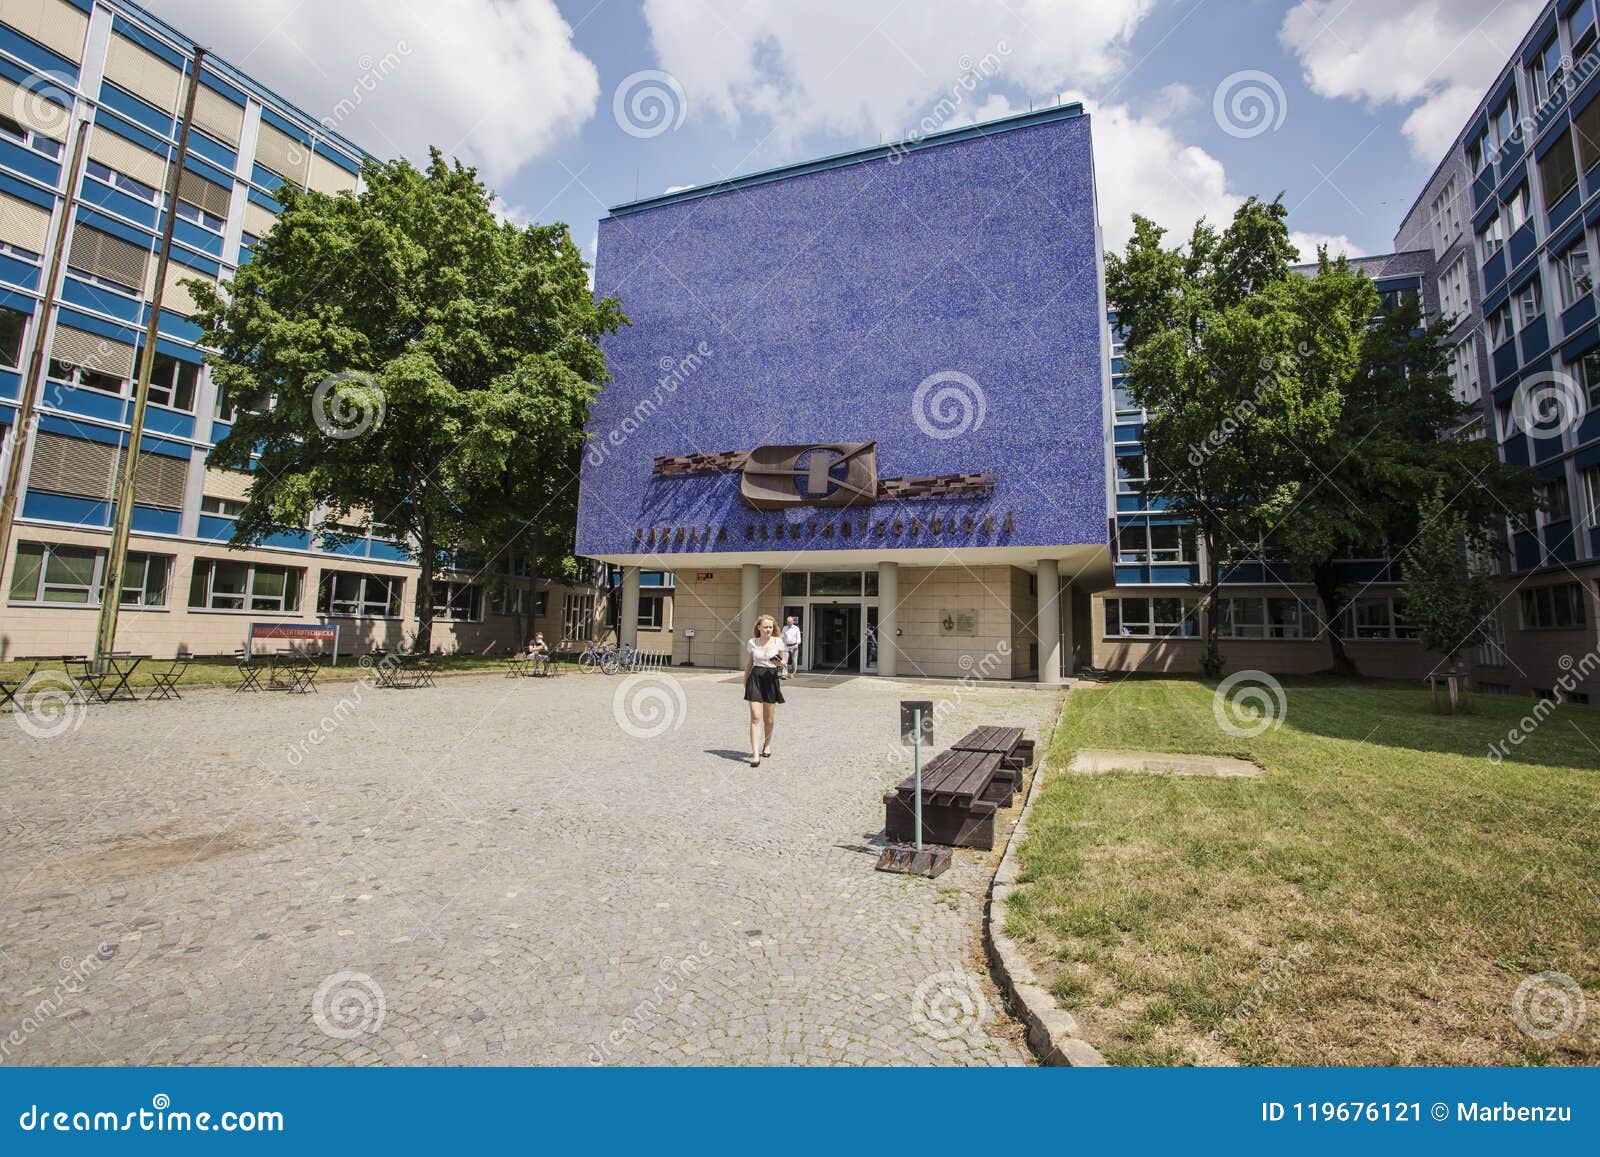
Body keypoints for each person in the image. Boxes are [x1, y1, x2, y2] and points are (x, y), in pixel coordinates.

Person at [743, 613, 787, 766]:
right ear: (759, 628)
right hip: (755, 678)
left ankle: (767, 744)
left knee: (769, 719)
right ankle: (755, 755)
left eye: (771, 627)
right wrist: (745, 682)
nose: (768, 629)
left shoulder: (778, 641)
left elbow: (784, 660)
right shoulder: (752, 642)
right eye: (766, 627)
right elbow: (748, 664)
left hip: (771, 678)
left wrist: (780, 663)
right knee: (756, 717)